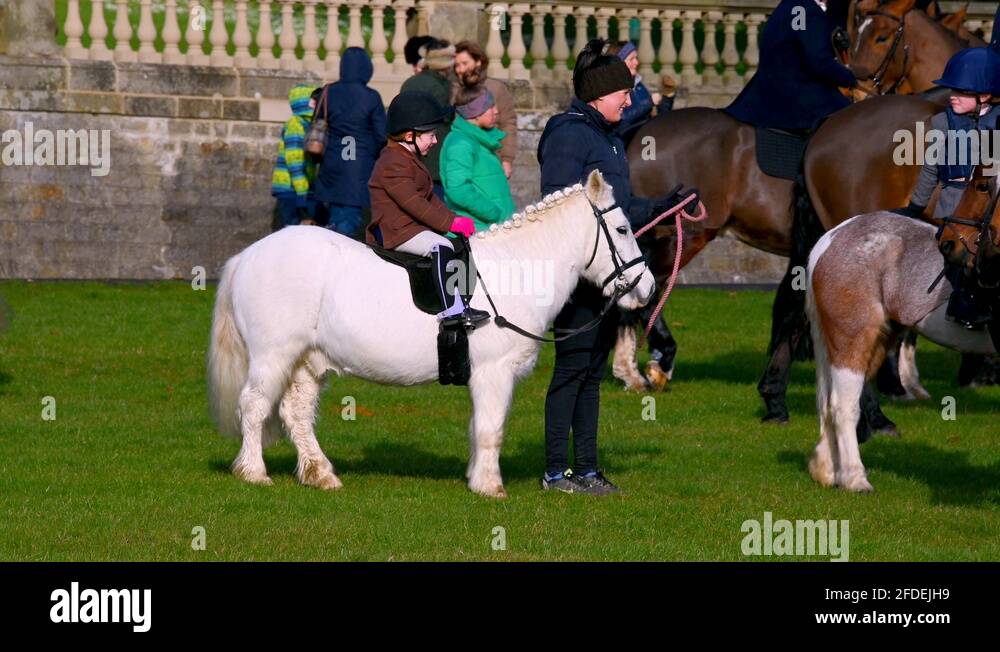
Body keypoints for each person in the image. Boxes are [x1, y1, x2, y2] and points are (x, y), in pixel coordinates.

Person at [536, 39, 696, 495]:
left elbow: (617, 210)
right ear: (597, 94)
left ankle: (586, 469)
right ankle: (555, 473)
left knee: (592, 372)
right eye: (622, 93)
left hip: (609, 277)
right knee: (570, 370)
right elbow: (561, 205)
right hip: (577, 278)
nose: (630, 99)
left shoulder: (607, 136)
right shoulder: (568, 133)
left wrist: (665, 206)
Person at [894, 47, 1000, 329]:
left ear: (985, 96)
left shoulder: (999, 126)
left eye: (961, 92)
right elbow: (930, 170)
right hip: (954, 207)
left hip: (989, 209)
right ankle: (961, 304)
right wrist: (916, 206)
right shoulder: (942, 124)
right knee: (955, 257)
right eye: (951, 89)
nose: (952, 95)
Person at [367, 91, 491, 329]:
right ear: (409, 135)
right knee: (441, 246)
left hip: (412, 227)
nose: (435, 141)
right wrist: (449, 224)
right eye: (431, 135)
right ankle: (451, 311)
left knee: (458, 244)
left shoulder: (407, 158)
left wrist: (455, 220)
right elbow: (414, 203)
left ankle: (464, 300)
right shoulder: (392, 163)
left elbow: (430, 199)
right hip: (396, 231)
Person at [725, 0, 857, 131]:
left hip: (768, 90)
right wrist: (850, 77)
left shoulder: (789, 6)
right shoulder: (806, 10)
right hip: (797, 94)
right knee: (854, 119)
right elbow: (819, 62)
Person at [314, 47, 387, 238]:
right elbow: (381, 135)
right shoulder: (371, 96)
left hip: (332, 160)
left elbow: (317, 121)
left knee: (332, 217)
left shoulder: (328, 91)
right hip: (359, 164)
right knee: (348, 223)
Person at [440, 86, 516, 231]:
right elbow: (459, 190)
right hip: (479, 234)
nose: (496, 111)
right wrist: (495, 213)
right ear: (475, 113)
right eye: (490, 106)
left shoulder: (480, 140)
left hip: (494, 230)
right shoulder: (461, 144)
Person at [454, 40, 518, 179]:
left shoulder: (496, 88)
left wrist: (507, 160)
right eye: (457, 65)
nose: (460, 69)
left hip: (492, 157)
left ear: (478, 62)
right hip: (463, 158)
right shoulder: (454, 90)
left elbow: (508, 124)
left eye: (464, 63)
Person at [400, 39, 456, 200]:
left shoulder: (410, 82)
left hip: (409, 153)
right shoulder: (441, 86)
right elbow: (443, 121)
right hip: (434, 159)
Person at [605, 40, 672, 146]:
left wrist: (667, 97)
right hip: (624, 145)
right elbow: (621, 121)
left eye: (636, 58)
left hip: (644, 140)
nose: (636, 62)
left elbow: (656, 117)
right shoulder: (612, 88)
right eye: (632, 59)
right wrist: (649, 102)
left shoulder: (638, 84)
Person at [271, 83, 318, 228]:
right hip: (291, 189)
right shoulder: (295, 125)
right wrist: (303, 192)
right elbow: (295, 162)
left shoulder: (308, 125)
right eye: (314, 100)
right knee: (289, 231)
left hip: (297, 188)